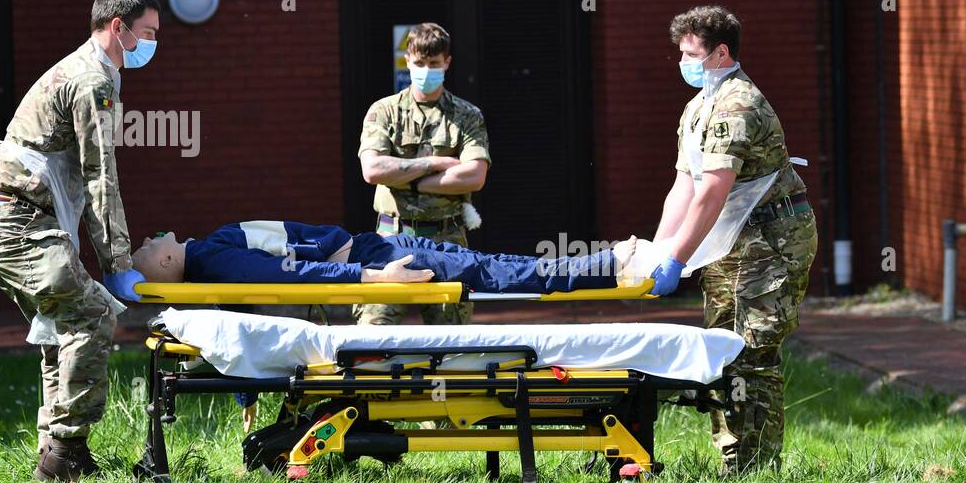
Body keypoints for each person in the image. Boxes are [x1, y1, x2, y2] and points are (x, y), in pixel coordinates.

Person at [0, 0, 160, 483]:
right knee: (92, 314)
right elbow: (101, 177)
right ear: (118, 27)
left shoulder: (88, 71)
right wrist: (117, 266)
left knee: (60, 327)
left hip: (6, 217)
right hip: (12, 218)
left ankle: (55, 452)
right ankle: (66, 452)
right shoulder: (94, 78)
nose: (153, 45)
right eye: (148, 32)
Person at [648, 5, 816, 477]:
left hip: (772, 242)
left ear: (722, 52)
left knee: (753, 353)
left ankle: (756, 468)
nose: (684, 62)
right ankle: (733, 458)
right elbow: (683, 185)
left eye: (692, 53)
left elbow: (714, 189)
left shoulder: (738, 103)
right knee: (722, 349)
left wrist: (678, 259)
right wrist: (658, 253)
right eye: (680, 53)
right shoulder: (699, 105)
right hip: (730, 244)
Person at [356, 22, 489, 326]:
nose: (426, 70)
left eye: (433, 63)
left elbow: (474, 177)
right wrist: (436, 164)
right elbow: (372, 170)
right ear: (407, 61)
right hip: (392, 238)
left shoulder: (466, 115)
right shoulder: (385, 111)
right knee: (372, 335)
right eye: (419, 63)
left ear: (447, 63)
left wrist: (406, 180)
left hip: (448, 239)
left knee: (452, 340)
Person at [130, 219, 640, 294]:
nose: (154, 238)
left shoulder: (209, 249)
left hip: (376, 247)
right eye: (149, 249)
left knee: (495, 268)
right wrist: (376, 276)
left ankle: (610, 262)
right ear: (168, 266)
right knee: (499, 272)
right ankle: (612, 265)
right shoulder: (214, 258)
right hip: (380, 255)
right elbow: (294, 272)